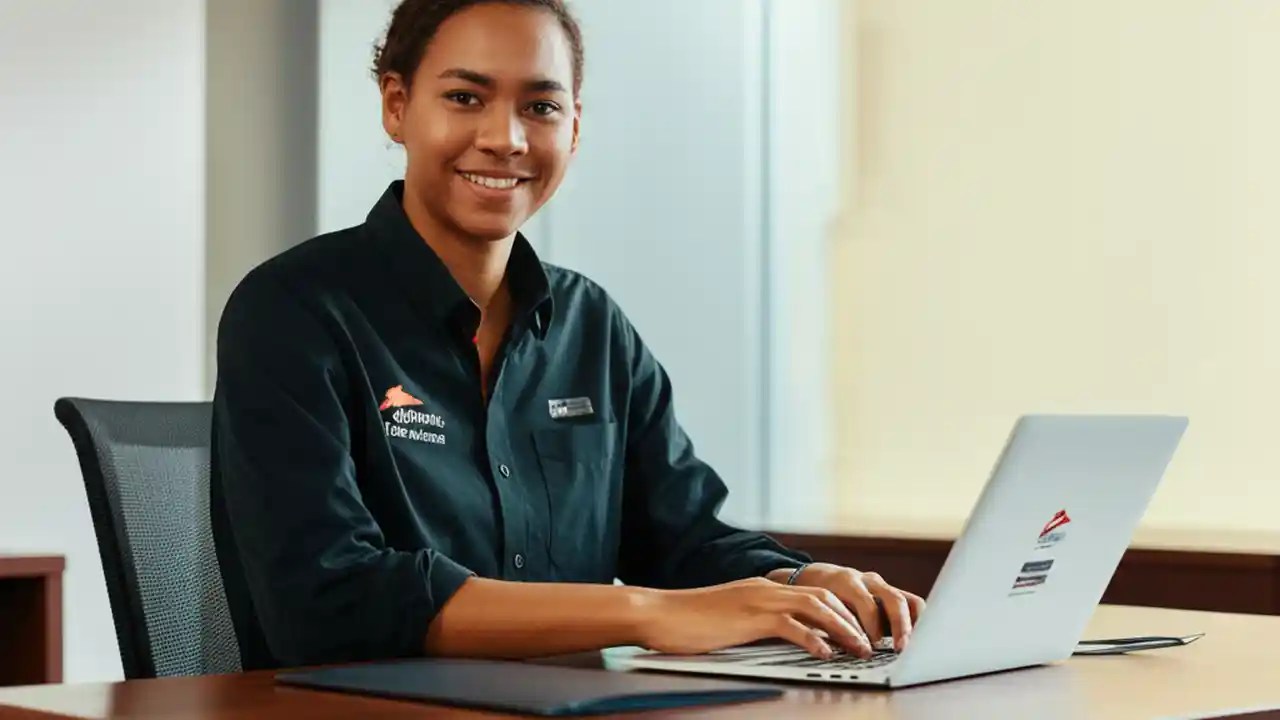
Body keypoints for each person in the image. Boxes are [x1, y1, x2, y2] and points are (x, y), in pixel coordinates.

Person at [210, 0, 924, 671]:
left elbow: (683, 544)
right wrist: (647, 615)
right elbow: (330, 600)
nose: (505, 138)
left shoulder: (594, 328)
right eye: (465, 97)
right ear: (398, 107)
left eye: (540, 107)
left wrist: (805, 580)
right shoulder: (294, 312)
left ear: (574, 127)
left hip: (567, 707)